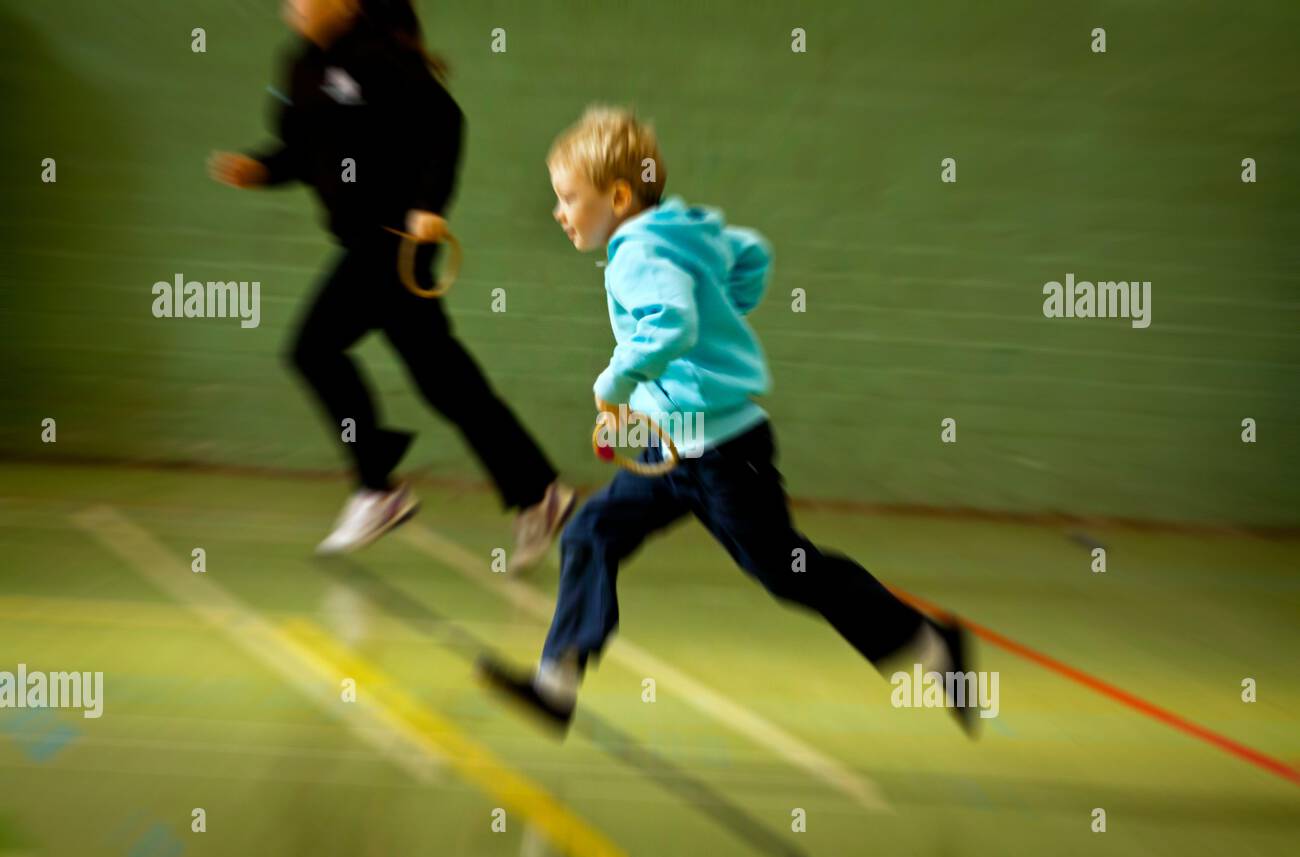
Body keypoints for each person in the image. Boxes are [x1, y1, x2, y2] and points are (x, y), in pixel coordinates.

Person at [479, 106, 977, 734]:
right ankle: (557, 683)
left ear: (619, 196)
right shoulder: (683, 229)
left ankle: (931, 644)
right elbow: (753, 253)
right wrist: (727, 312)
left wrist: (613, 384)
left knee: (785, 570)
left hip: (721, 453)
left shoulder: (636, 253)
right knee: (589, 534)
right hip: (670, 450)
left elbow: (672, 323)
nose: (559, 212)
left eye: (569, 198)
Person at [208, 0, 573, 565]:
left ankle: (378, 486)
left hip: (393, 243)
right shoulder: (302, 65)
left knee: (314, 350)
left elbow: (444, 123)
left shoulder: (380, 57)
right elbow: (305, 153)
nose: (293, 6)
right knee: (444, 380)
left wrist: (428, 205)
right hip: (361, 241)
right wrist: (262, 170)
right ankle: (539, 491)